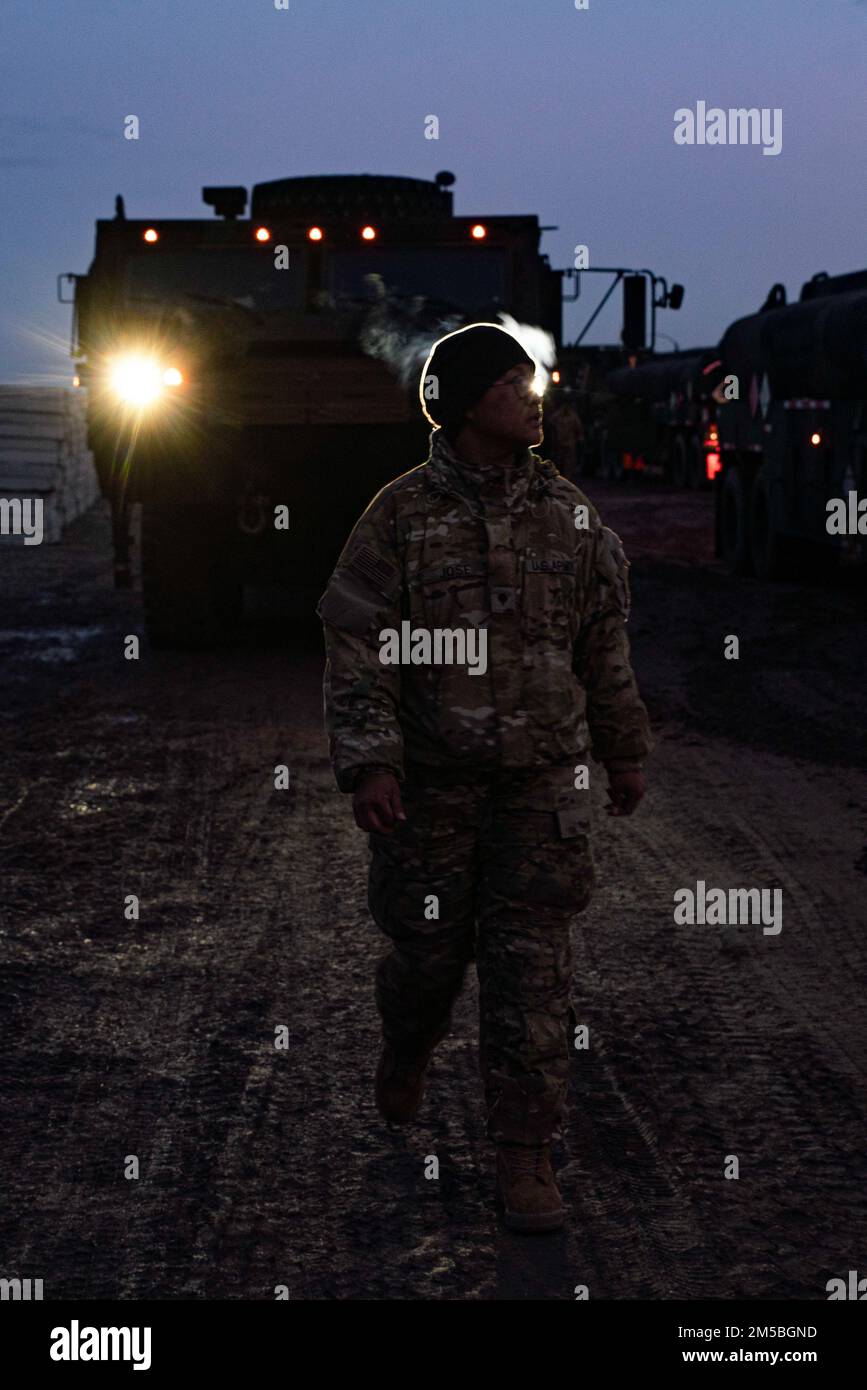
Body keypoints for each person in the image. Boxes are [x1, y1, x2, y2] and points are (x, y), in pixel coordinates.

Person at [317, 323, 653, 1233]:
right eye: (515, 383)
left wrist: (622, 751)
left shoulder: (571, 517)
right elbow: (358, 648)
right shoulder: (399, 515)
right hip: (432, 788)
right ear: (467, 402)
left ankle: (525, 1156)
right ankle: (407, 1045)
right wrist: (371, 762)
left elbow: (603, 647)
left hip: (542, 788)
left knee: (531, 974)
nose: (534, 396)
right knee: (426, 961)